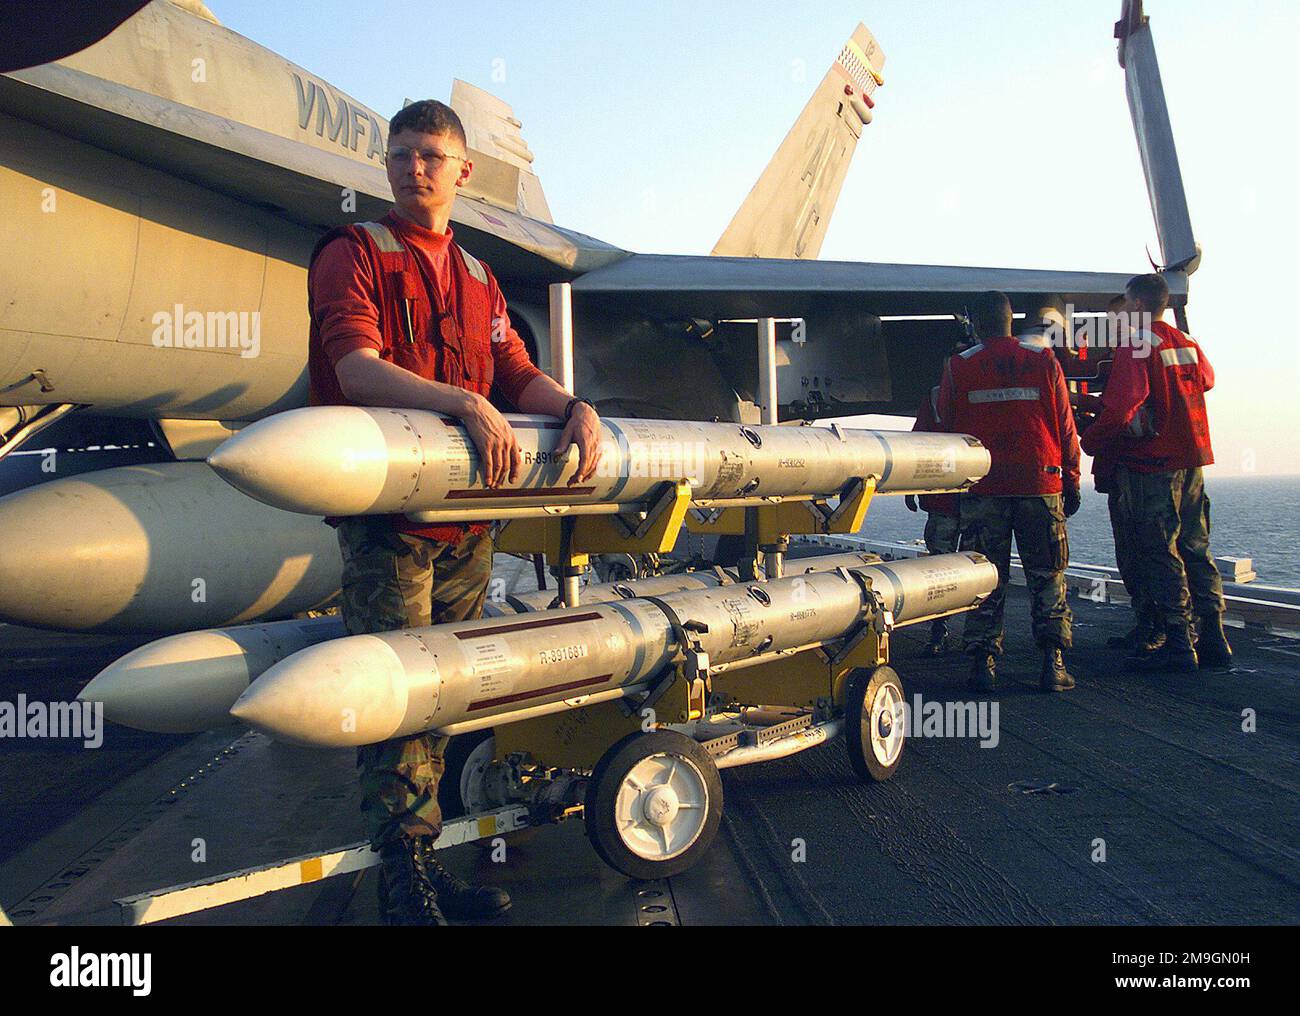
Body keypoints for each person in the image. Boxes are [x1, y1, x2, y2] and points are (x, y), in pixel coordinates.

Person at [307, 99, 604, 925]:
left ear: (463, 170)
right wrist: (462, 403)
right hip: (390, 524)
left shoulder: (478, 278)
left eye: (432, 156)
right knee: (400, 703)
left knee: (445, 699)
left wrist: (575, 404)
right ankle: (405, 888)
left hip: (468, 527)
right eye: (402, 155)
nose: (415, 169)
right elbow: (355, 366)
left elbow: (515, 373)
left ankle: (432, 869)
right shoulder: (354, 253)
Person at [1080, 273, 1230, 672]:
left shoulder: (1136, 344)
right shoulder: (1186, 342)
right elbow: (1207, 380)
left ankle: (1179, 643)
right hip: (1192, 460)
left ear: (1140, 306)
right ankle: (1214, 637)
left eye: (1127, 306)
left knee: (1159, 551)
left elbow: (1126, 404)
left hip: (1152, 465)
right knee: (1196, 546)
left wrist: (1092, 440)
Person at [937, 291, 1081, 693]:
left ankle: (983, 663)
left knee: (986, 576)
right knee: (1048, 574)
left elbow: (946, 432)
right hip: (1040, 484)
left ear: (978, 324)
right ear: (1010, 321)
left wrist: (949, 492)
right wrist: (1071, 477)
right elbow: (1064, 426)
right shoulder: (1043, 361)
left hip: (984, 489)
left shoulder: (958, 368)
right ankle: (1053, 664)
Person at [1086, 296, 1162, 653]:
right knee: (1140, 551)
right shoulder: (1145, 351)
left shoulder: (1133, 353)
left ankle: (1158, 628)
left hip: (1133, 470)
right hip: (1138, 469)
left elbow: (1120, 412)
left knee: (1141, 551)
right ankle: (1157, 626)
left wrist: (1090, 439)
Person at [907, 383, 961, 655]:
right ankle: (982, 644)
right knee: (986, 566)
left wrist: (910, 487)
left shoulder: (935, 395)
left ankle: (939, 633)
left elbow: (918, 445)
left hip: (944, 501)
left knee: (941, 568)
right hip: (984, 500)